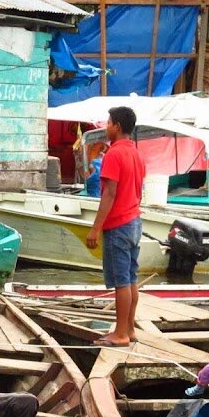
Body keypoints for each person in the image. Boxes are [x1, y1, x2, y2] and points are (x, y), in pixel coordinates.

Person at [86, 106, 145, 347]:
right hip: (134, 221)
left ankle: (120, 334)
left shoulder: (114, 154)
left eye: (109, 122)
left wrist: (95, 228)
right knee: (130, 279)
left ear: (117, 126)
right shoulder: (136, 153)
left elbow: (109, 194)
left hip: (119, 224)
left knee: (121, 281)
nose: (106, 126)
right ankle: (129, 329)